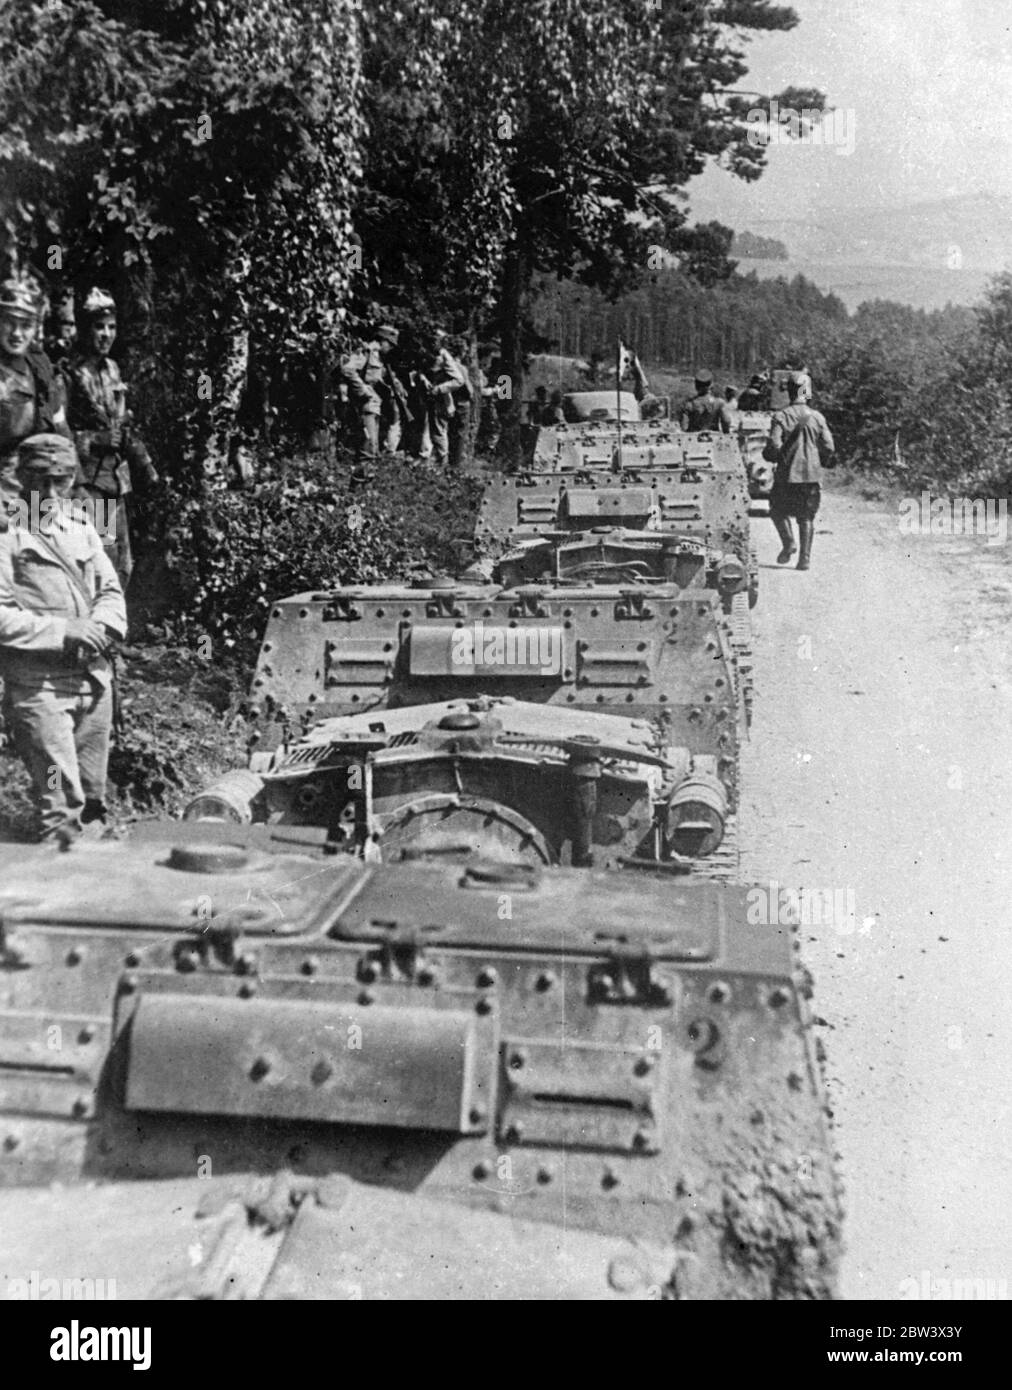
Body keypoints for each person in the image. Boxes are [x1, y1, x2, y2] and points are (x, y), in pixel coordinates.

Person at [0, 433, 127, 842]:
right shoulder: (7, 535)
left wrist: (103, 626)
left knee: (92, 804)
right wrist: (64, 631)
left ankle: (97, 901)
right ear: (21, 477)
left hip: (94, 685)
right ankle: (52, 901)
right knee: (60, 806)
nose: (51, 491)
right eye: (39, 480)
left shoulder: (82, 523)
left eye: (62, 479)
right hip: (42, 694)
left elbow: (110, 589)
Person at [67, 289, 158, 588]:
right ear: (84, 329)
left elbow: (122, 423)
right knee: (101, 566)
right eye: (98, 326)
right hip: (89, 484)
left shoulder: (113, 370)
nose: (106, 335)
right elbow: (57, 435)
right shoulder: (69, 374)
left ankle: (115, 632)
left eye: (111, 327)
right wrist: (95, 439)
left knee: (123, 565)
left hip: (116, 483)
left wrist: (144, 462)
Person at [763, 372, 836, 570]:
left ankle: (789, 543)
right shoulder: (818, 417)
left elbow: (774, 444)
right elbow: (829, 447)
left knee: (777, 511)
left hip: (787, 475)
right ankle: (804, 559)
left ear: (790, 391)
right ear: (807, 391)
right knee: (806, 517)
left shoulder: (781, 416)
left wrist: (776, 456)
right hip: (811, 476)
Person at [0, 275, 70, 468]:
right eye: (9, 322)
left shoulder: (40, 364)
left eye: (26, 325)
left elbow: (60, 425)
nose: (17, 333)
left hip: (40, 478)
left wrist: (77, 483)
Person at [338, 324, 410, 467]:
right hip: (365, 406)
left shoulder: (380, 359)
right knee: (367, 450)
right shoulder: (367, 351)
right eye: (390, 345)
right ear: (383, 340)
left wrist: (395, 384)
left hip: (375, 406)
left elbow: (378, 378)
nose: (390, 349)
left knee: (373, 449)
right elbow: (347, 369)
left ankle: (365, 485)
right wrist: (362, 390)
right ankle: (359, 486)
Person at [426, 335, 471, 467]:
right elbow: (468, 389)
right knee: (457, 435)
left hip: (448, 400)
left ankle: (446, 463)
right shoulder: (459, 367)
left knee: (444, 433)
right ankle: (453, 465)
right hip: (458, 402)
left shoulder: (446, 361)